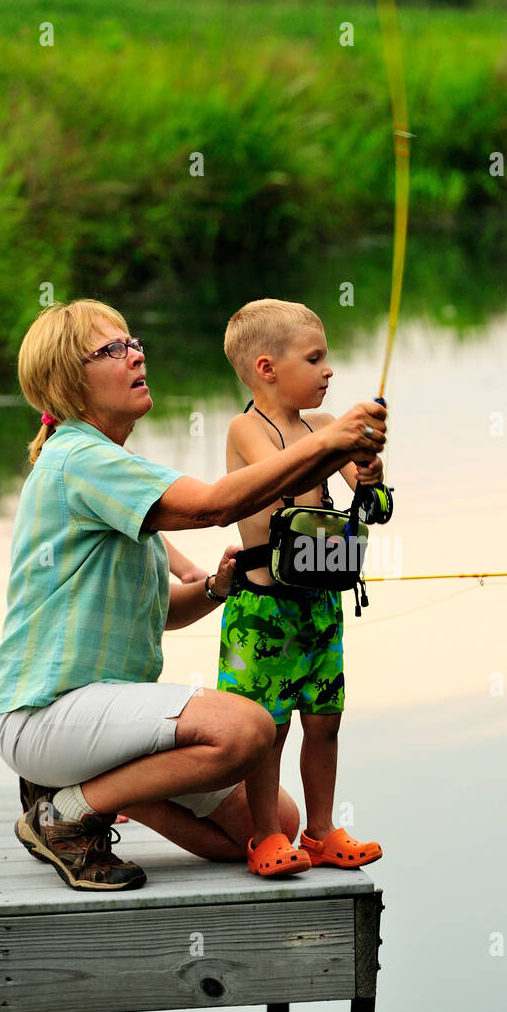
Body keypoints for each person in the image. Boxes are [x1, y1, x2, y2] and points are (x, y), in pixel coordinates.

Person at [0, 299, 386, 890]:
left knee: (274, 824)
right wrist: (332, 442)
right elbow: (213, 505)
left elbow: (164, 615)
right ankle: (65, 815)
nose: (136, 356)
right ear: (70, 380)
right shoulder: (80, 458)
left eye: (133, 343)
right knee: (247, 728)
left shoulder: (112, 466)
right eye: (112, 350)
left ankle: (85, 792)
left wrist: (217, 588)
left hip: (99, 721)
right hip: (46, 713)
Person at [217, 298, 384, 877]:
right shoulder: (246, 429)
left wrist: (369, 469)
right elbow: (285, 476)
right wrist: (339, 443)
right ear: (267, 369)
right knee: (268, 730)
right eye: (314, 360)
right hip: (262, 610)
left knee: (324, 721)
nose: (328, 371)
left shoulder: (323, 427)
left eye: (326, 359)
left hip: (320, 607)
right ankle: (266, 836)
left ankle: (320, 831)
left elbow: (376, 507)